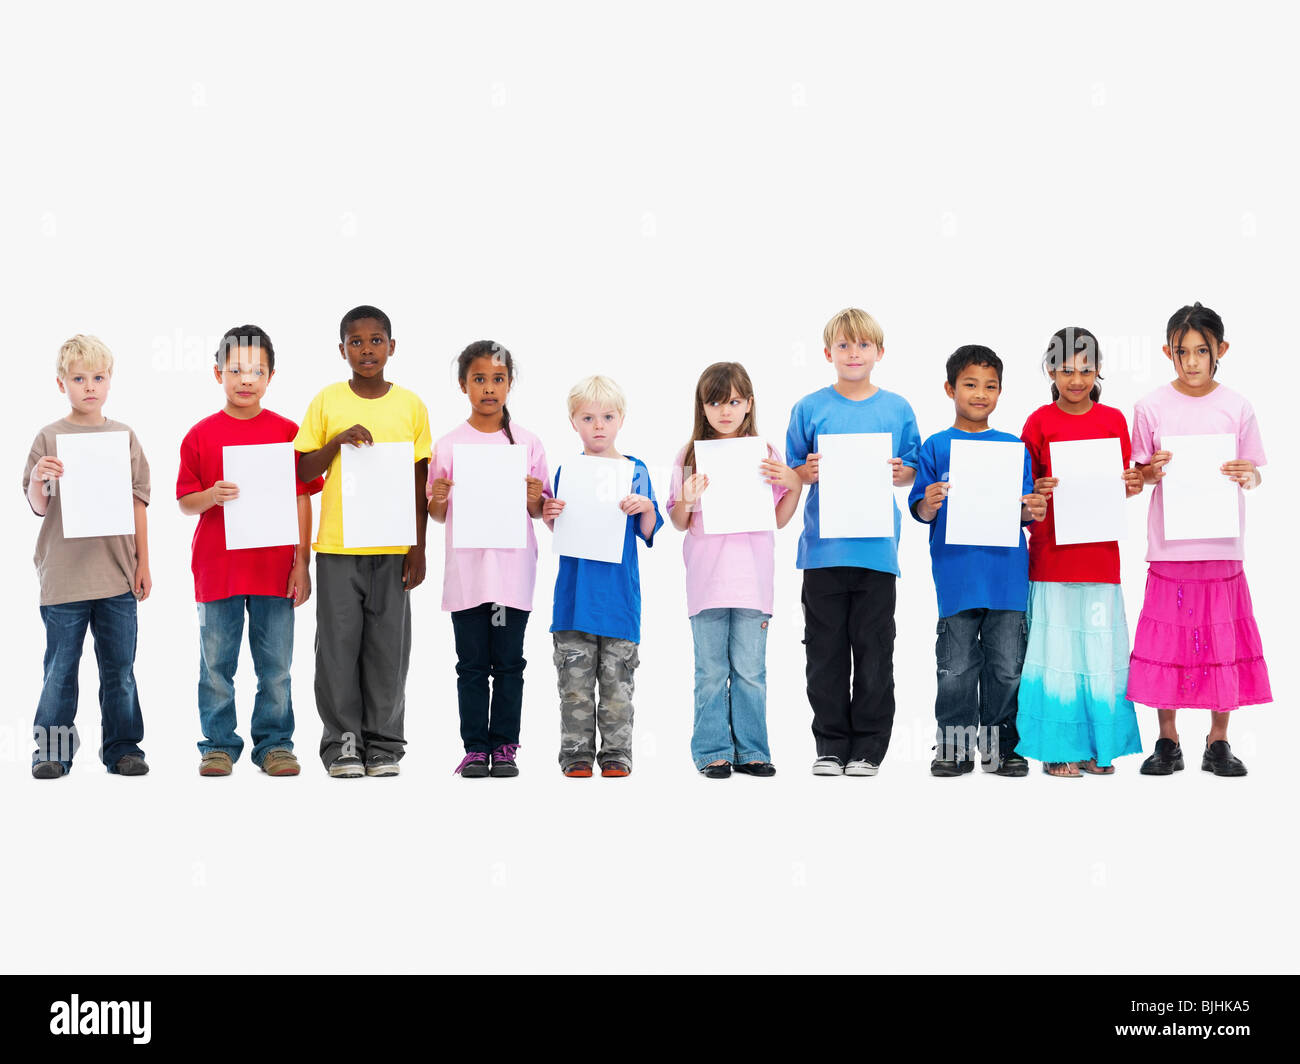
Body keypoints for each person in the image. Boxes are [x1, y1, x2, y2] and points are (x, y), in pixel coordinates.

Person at [1127, 302, 1270, 777]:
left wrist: (1248, 476)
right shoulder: (1150, 406)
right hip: (1170, 546)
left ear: (1220, 351)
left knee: (1221, 641)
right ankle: (1167, 740)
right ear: (1168, 352)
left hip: (1222, 546)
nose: (1191, 361)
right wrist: (1148, 471)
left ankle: (1218, 741)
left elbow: (1254, 475)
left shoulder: (1237, 406)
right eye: (1182, 351)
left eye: (1202, 351)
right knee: (1166, 641)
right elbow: (1138, 475)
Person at [177, 325, 323, 777]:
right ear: (217, 371)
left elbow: (303, 496)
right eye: (235, 369)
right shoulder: (201, 434)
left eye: (256, 371)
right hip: (218, 569)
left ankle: (275, 743)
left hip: (274, 568)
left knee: (275, 665)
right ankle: (218, 744)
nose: (245, 379)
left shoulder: (287, 432)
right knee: (216, 665)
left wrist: (303, 562)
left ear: (271, 375)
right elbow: (185, 502)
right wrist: (212, 496)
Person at [294, 305, 431, 777]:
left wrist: (419, 546)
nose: (366, 349)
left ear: (392, 347)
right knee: (336, 648)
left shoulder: (410, 405)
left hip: (392, 546)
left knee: (388, 649)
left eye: (376, 341)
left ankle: (384, 745)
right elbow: (302, 470)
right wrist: (336, 442)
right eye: (356, 342)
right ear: (342, 349)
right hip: (337, 546)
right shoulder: (327, 400)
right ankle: (342, 745)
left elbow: (420, 480)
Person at [785, 307, 920, 776]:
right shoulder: (809, 408)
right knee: (823, 652)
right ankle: (829, 744)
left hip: (877, 552)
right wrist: (806, 471)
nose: (853, 353)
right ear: (827, 353)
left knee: (874, 650)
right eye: (843, 345)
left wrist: (904, 472)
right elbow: (792, 474)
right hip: (823, 553)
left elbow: (911, 470)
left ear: (879, 352)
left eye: (863, 344)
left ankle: (868, 747)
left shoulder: (897, 408)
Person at [909, 345, 1046, 777]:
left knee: (1007, 667)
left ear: (1001, 392)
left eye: (990, 386)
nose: (980, 393)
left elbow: (1023, 508)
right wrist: (929, 502)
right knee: (956, 667)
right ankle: (953, 746)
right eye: (970, 384)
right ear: (950, 389)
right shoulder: (936, 446)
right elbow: (920, 510)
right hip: (957, 578)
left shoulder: (1013, 447)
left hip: (1006, 576)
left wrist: (1033, 508)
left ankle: (1000, 747)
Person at [1015, 327, 1145, 777]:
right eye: (1066, 369)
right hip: (1052, 555)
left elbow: (1119, 487)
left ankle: (1098, 745)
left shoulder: (1113, 420)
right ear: (1050, 370)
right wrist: (1037, 490)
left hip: (1100, 557)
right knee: (1058, 653)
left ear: (1099, 369)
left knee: (1099, 654)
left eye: (1085, 369)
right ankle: (1057, 747)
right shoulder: (1038, 423)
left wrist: (1133, 483)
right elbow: (1023, 492)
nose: (1076, 379)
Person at [23, 334, 151, 778]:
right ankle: (52, 752)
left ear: (110, 381)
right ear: (62, 384)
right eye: (78, 378)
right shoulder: (49, 437)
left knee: (120, 670)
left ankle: (123, 748)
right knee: (60, 670)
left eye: (98, 377)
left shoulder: (123, 436)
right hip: (64, 578)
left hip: (116, 576)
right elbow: (38, 505)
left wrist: (143, 563)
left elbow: (139, 502)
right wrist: (41, 476)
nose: (89, 386)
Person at [666, 361, 801, 778]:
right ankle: (712, 752)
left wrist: (793, 483)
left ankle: (753, 750)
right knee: (710, 671)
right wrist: (686, 498)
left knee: (751, 671)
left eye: (734, 402)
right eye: (715, 403)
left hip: (753, 584)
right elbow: (679, 521)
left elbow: (779, 519)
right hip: (707, 583)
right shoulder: (690, 455)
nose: (725, 411)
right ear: (702, 408)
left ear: (748, 405)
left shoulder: (765, 453)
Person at [428, 340, 550, 778]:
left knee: (510, 664)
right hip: (469, 577)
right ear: (463, 384)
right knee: (472, 666)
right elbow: (439, 515)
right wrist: (437, 499)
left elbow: (539, 511)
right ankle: (476, 748)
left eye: (498, 379)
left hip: (512, 575)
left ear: (510, 384)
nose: (489, 388)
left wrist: (535, 497)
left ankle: (506, 747)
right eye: (479, 379)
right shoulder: (448, 446)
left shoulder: (529, 443)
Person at [542, 375, 661, 778]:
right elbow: (562, 531)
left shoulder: (636, 471)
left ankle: (617, 753)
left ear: (621, 419)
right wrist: (548, 516)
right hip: (573, 602)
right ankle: (575, 753)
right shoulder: (567, 470)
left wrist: (644, 504)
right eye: (588, 417)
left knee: (617, 688)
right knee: (573, 687)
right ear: (573, 421)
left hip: (619, 604)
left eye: (607, 416)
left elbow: (647, 531)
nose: (598, 425)